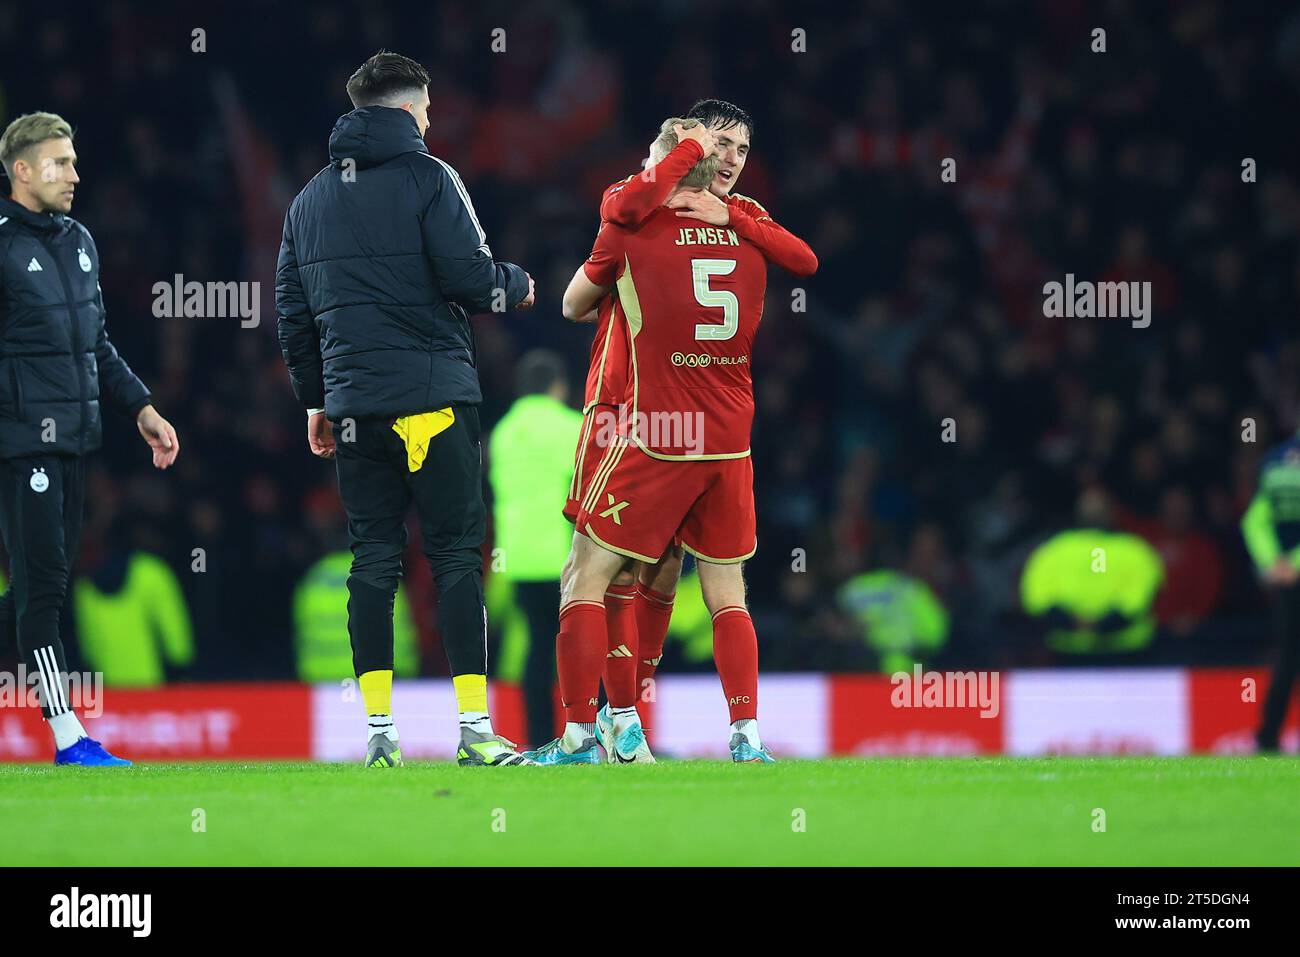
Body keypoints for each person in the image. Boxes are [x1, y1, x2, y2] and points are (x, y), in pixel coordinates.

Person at [276, 51, 536, 768]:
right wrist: (516, 284)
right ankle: (475, 730)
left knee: (373, 559)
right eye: (425, 108)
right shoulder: (431, 177)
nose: (430, 119)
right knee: (454, 557)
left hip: (355, 408)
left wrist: (316, 402)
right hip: (433, 403)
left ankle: (380, 734)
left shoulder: (308, 200)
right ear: (407, 106)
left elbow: (292, 316)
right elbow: (468, 276)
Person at [528, 116, 815, 765]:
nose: (732, 157)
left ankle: (594, 728)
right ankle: (735, 734)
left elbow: (574, 301)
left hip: (644, 425)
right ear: (696, 151)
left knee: (598, 574)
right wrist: (731, 214)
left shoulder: (635, 222)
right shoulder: (746, 226)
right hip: (729, 441)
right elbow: (806, 258)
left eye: (744, 146)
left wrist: (684, 171)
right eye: (721, 145)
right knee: (701, 585)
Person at [0, 111, 180, 765]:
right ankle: (68, 733)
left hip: (77, 438)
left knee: (34, 589)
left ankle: (68, 732)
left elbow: (96, 343)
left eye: (74, 161)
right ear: (21, 172)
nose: (75, 173)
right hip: (22, 444)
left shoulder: (79, 241)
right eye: (59, 163)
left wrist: (142, 408)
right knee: (43, 588)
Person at [488, 350, 584, 748]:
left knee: (538, 648)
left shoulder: (503, 432)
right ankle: (585, 734)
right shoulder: (570, 425)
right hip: (567, 555)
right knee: (583, 643)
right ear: (557, 386)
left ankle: (539, 739)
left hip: (519, 556)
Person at [1241, 431, 1300, 751]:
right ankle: (1266, 738)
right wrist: (1292, 564)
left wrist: (1274, 562)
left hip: (1286, 580)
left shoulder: (1274, 459)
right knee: (1288, 656)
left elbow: (1254, 520)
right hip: (1290, 576)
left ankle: (1267, 739)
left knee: (1287, 656)